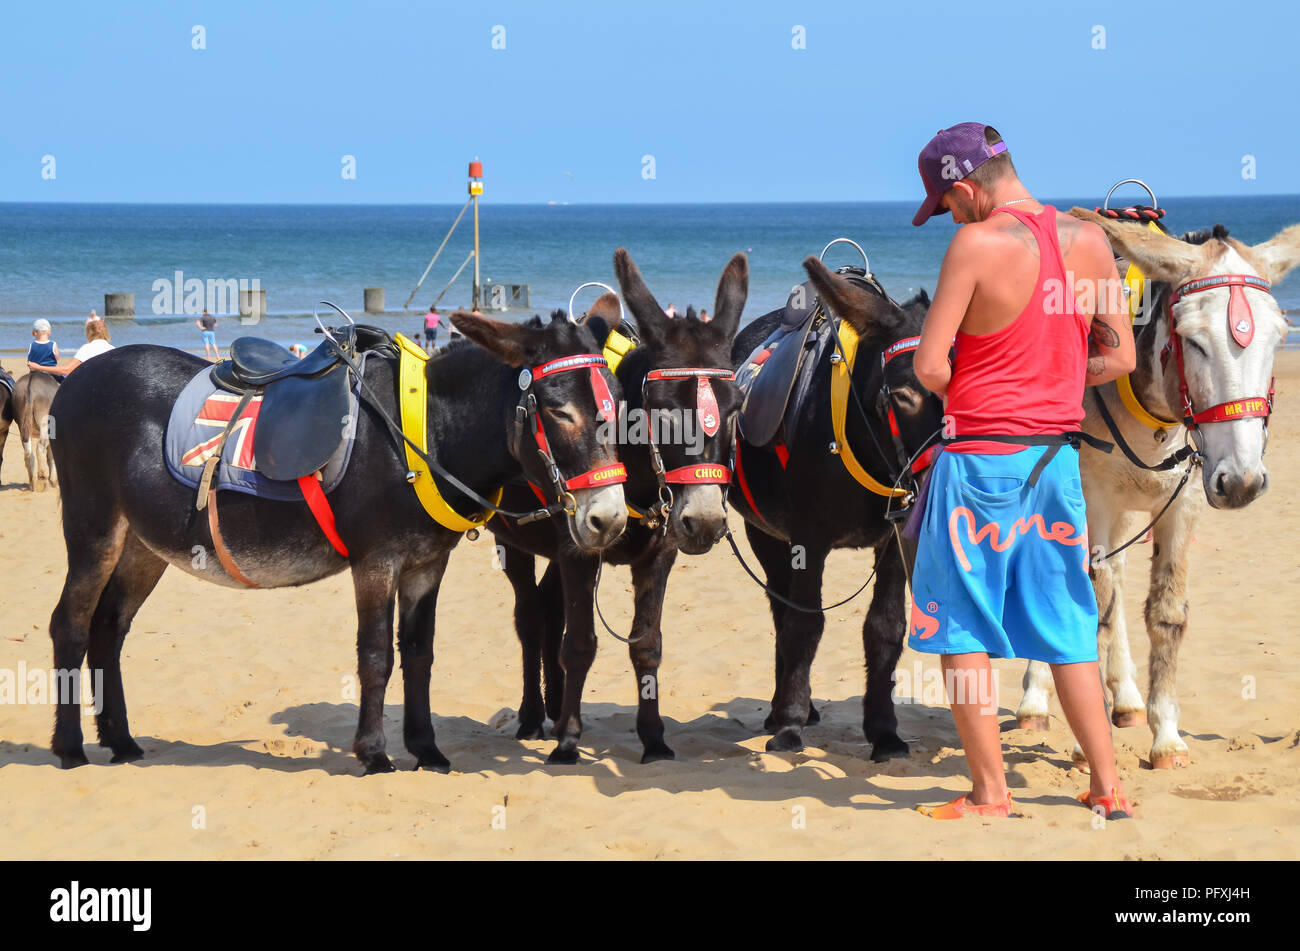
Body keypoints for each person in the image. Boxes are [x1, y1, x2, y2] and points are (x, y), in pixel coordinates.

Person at [908, 123, 1137, 820]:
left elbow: (927, 365)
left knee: (960, 629)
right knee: (1069, 624)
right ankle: (1107, 787)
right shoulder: (1091, 242)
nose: (949, 216)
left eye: (947, 204)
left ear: (967, 188)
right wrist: (1057, 382)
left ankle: (990, 793)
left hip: (979, 463)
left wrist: (980, 392)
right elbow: (1120, 356)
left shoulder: (976, 244)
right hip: (1056, 461)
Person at [29, 316, 115, 377]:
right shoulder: (113, 349)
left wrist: (38, 367)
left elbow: (65, 370)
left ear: (89, 333)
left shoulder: (87, 348)